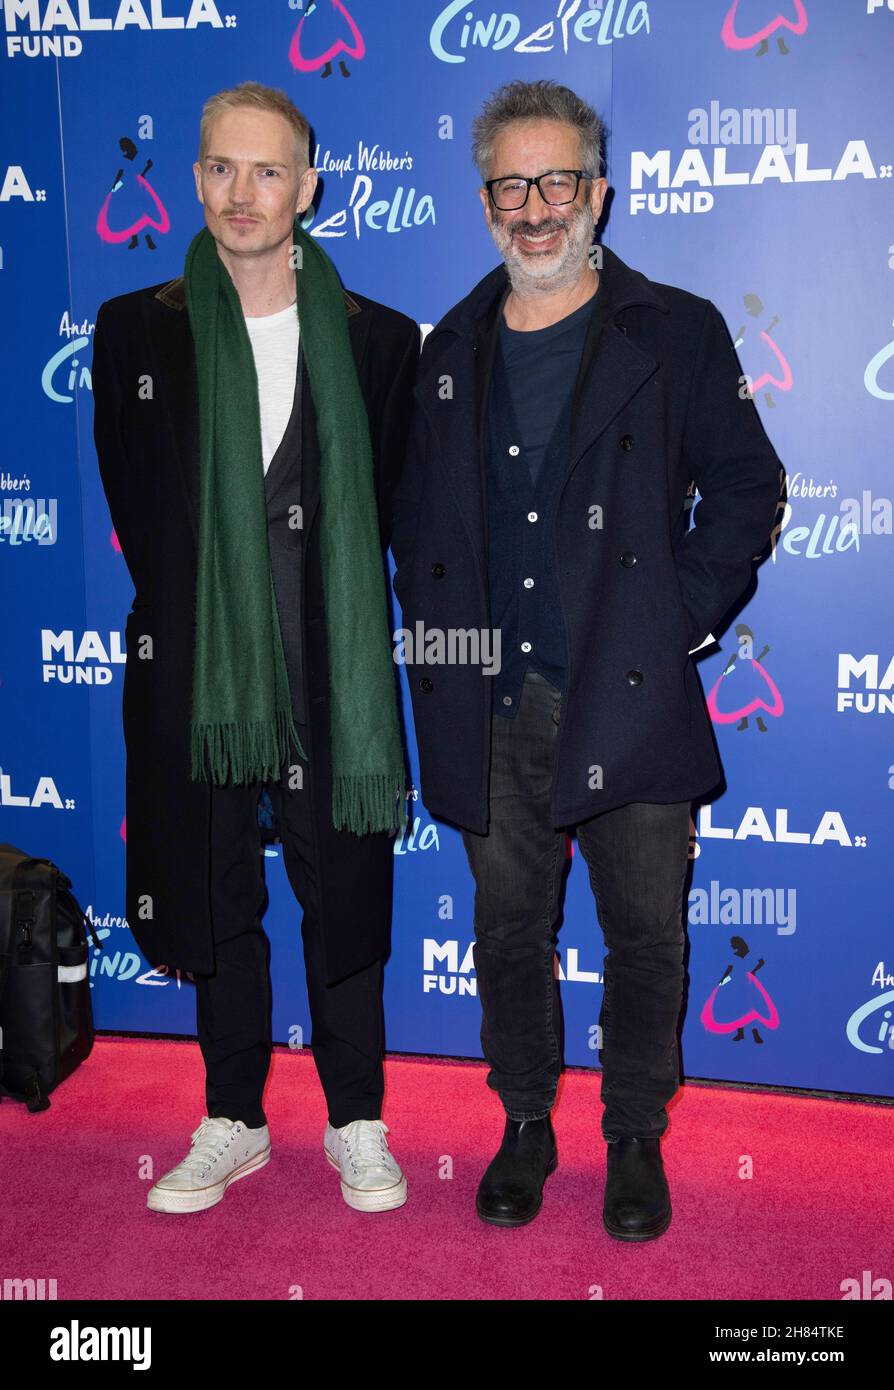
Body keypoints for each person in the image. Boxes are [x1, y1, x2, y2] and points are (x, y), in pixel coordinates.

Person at [391, 79, 782, 1240]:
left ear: (599, 194)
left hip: (632, 695)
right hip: (494, 703)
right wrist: (445, 651)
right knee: (509, 932)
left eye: (559, 180)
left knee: (646, 936)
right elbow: (419, 524)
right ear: (485, 201)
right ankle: (522, 1120)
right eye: (514, 184)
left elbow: (749, 488)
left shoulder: (676, 330)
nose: (538, 207)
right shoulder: (449, 346)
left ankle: (633, 1135)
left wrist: (678, 625)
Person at [92, 82, 418, 1215]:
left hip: (338, 684)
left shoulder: (379, 340)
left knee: (349, 901)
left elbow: (394, 507)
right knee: (218, 898)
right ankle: (233, 1115)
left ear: (307, 188)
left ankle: (357, 1120)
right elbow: (135, 507)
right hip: (204, 680)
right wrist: (210, 635)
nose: (243, 193)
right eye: (222, 169)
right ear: (194, 180)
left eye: (268, 171)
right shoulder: (139, 327)